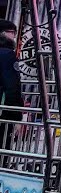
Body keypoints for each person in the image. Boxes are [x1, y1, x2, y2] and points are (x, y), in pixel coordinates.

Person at [0, 19, 23, 151]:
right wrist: (16, 116)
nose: (14, 36)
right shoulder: (8, 55)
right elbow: (12, 86)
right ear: (3, 34)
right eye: (12, 33)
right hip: (4, 112)